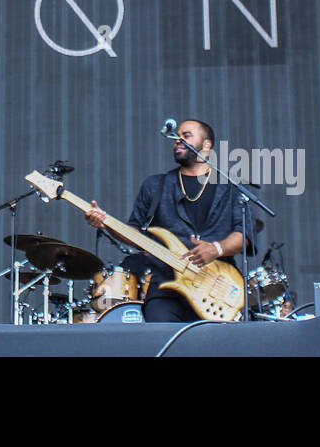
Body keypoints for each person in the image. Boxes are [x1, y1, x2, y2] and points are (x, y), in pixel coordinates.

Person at [85, 119, 245, 322]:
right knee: (160, 341)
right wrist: (105, 221)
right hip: (166, 288)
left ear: (207, 145)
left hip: (216, 286)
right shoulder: (155, 186)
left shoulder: (230, 187)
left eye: (186, 136)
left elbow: (244, 235)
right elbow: (135, 234)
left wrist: (217, 249)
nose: (177, 140)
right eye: (176, 136)